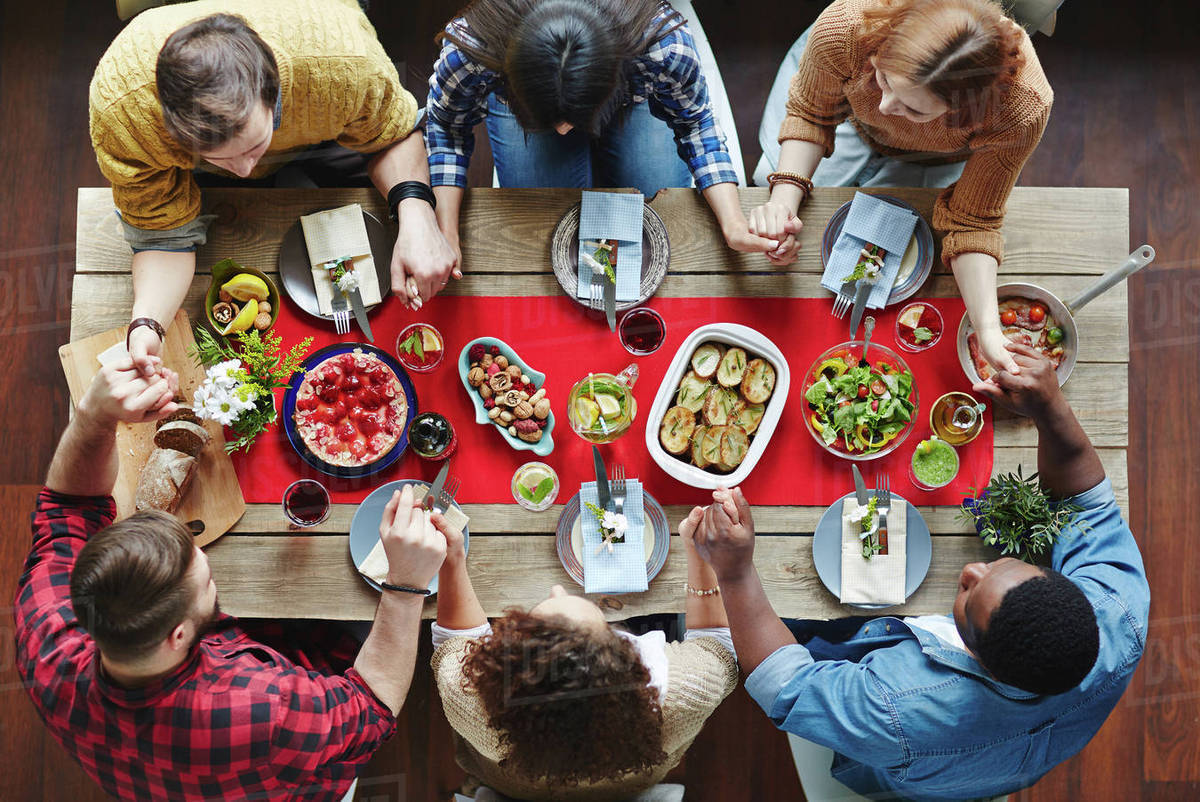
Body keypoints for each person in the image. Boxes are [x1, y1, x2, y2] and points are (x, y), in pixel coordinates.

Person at [690, 342, 1148, 800]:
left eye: (970, 598)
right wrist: (1050, 406)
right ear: (1068, 587)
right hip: (1009, 764)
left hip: (909, 768)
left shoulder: (901, 707)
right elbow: (1083, 502)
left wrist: (733, 573)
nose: (970, 568)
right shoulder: (1120, 612)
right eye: (1001, 567)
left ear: (982, 661)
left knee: (776, 628)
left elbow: (784, 688)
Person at [14, 359, 448, 800]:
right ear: (178, 635)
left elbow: (67, 508)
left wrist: (95, 415)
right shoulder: (263, 710)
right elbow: (373, 708)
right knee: (364, 613)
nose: (203, 556)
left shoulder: (47, 635)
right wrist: (405, 587)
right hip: (287, 770)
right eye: (203, 578)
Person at [91, 0, 457, 377]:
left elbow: (392, 136)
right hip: (189, 174)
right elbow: (161, 236)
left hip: (325, 126)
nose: (247, 171)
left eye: (251, 148)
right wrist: (147, 324)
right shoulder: (124, 114)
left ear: (273, 91)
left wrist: (418, 215)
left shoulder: (345, 67)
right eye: (220, 156)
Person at [749, 0, 1052, 375]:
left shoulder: (1021, 108)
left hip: (940, 159)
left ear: (969, 109)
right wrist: (784, 201)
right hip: (848, 121)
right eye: (884, 78)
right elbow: (812, 112)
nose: (887, 105)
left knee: (916, 234)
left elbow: (973, 221)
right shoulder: (845, 27)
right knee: (767, 178)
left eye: (916, 108)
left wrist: (988, 330)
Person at [425, 0, 780, 268]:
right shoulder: (472, 48)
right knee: (545, 226)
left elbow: (694, 122)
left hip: (633, 94)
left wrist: (733, 223)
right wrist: (447, 235)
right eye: (553, 120)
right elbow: (447, 128)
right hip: (523, 87)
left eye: (574, 119)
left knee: (658, 211)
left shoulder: (660, 47)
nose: (564, 131)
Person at [429, 509, 738, 799]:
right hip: (630, 784)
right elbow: (715, 641)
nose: (557, 589)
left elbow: (458, 638)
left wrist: (452, 557)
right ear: (622, 646)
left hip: (513, 784)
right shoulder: (688, 691)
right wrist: (701, 557)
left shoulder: (469, 696)